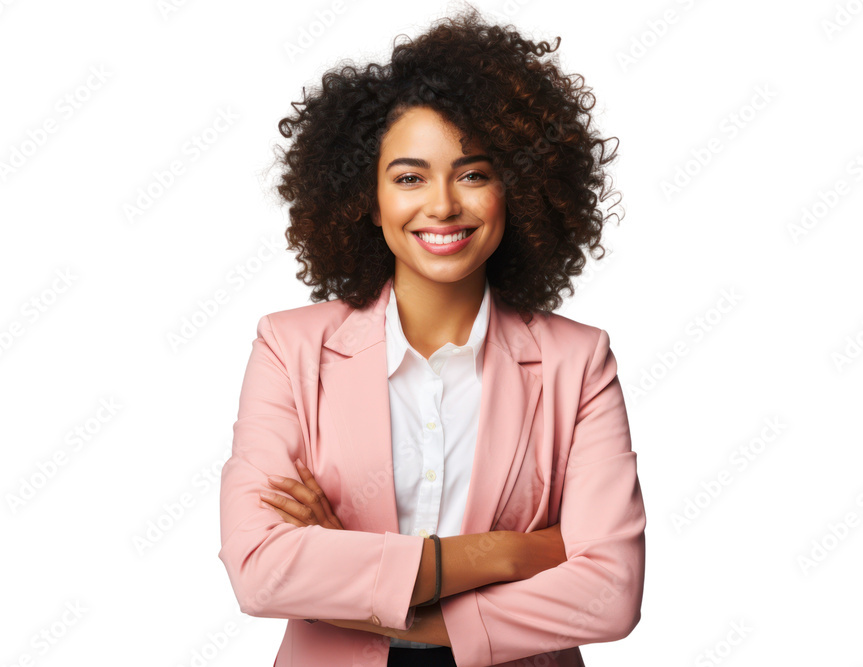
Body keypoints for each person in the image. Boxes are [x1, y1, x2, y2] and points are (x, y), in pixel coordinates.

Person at [217, 7, 646, 666]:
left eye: (472, 174)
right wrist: (508, 552)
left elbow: (610, 592)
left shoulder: (576, 362)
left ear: (518, 189)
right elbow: (260, 568)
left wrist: (389, 601)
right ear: (369, 196)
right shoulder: (290, 348)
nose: (442, 204)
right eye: (409, 176)